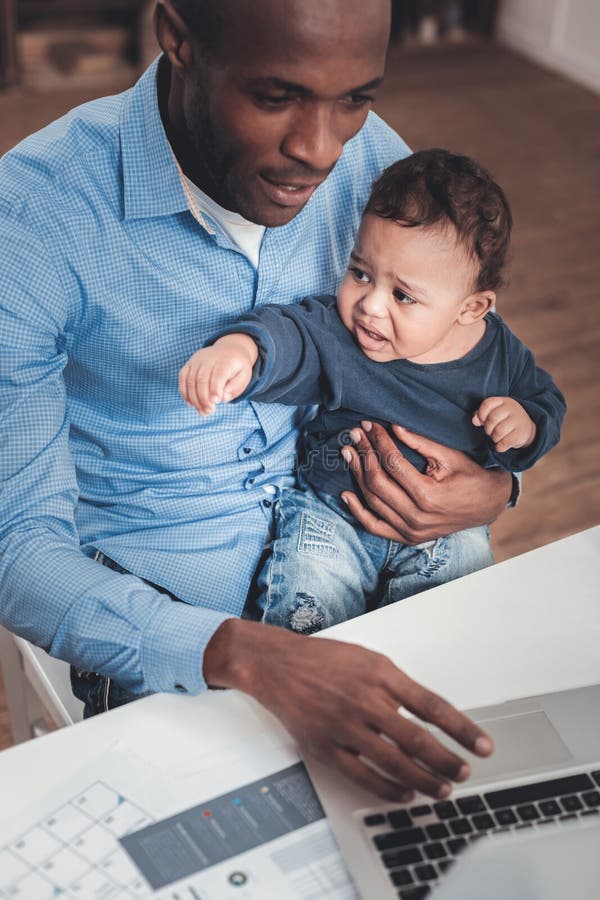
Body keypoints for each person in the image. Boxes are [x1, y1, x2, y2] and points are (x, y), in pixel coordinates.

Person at [0, 0, 511, 802]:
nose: (320, 150)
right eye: (276, 96)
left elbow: (470, 347)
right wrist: (245, 654)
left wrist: (493, 486)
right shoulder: (32, 218)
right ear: (178, 38)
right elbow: (18, 546)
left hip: (369, 553)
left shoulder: (374, 160)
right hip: (181, 620)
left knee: (491, 783)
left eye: (354, 98)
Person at [180, 149, 566, 632]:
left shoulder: (501, 352)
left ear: (472, 309)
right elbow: (293, 334)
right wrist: (241, 351)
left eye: (403, 295)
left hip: (446, 534)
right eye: (360, 273)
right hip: (332, 518)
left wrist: (525, 427)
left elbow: (546, 402)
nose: (370, 306)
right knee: (311, 611)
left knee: (455, 621)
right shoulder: (343, 337)